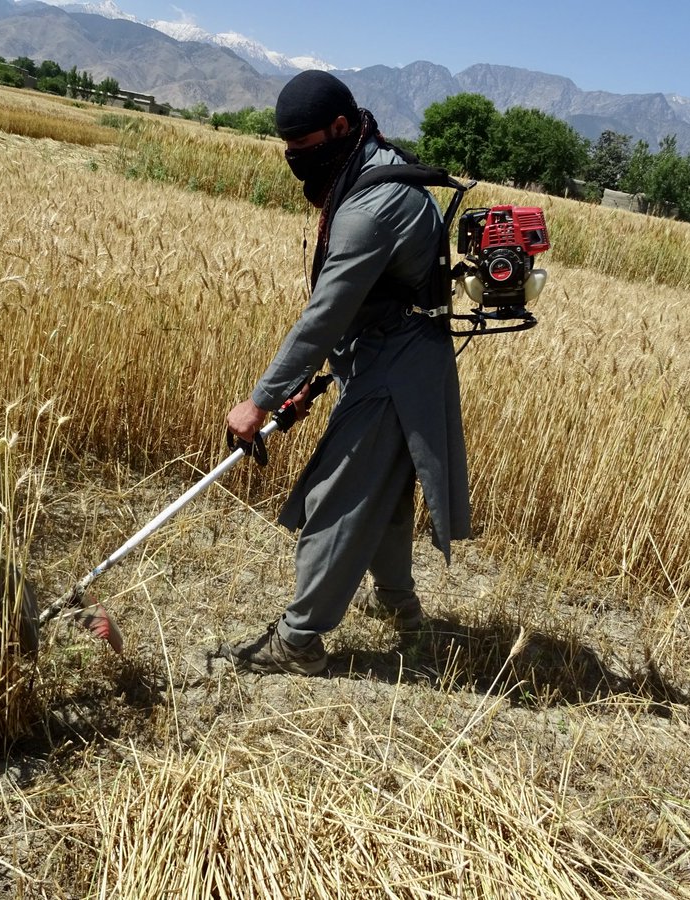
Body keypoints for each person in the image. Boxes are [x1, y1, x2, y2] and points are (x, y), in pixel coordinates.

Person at [220, 70, 470, 675]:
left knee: (340, 496)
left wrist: (260, 402)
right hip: (393, 355)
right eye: (289, 153)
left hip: (398, 368)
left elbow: (325, 315)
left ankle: (299, 641)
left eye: (304, 152)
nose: (297, 164)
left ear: (339, 129)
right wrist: (313, 380)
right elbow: (363, 306)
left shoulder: (373, 206)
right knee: (381, 493)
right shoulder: (368, 168)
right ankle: (401, 607)